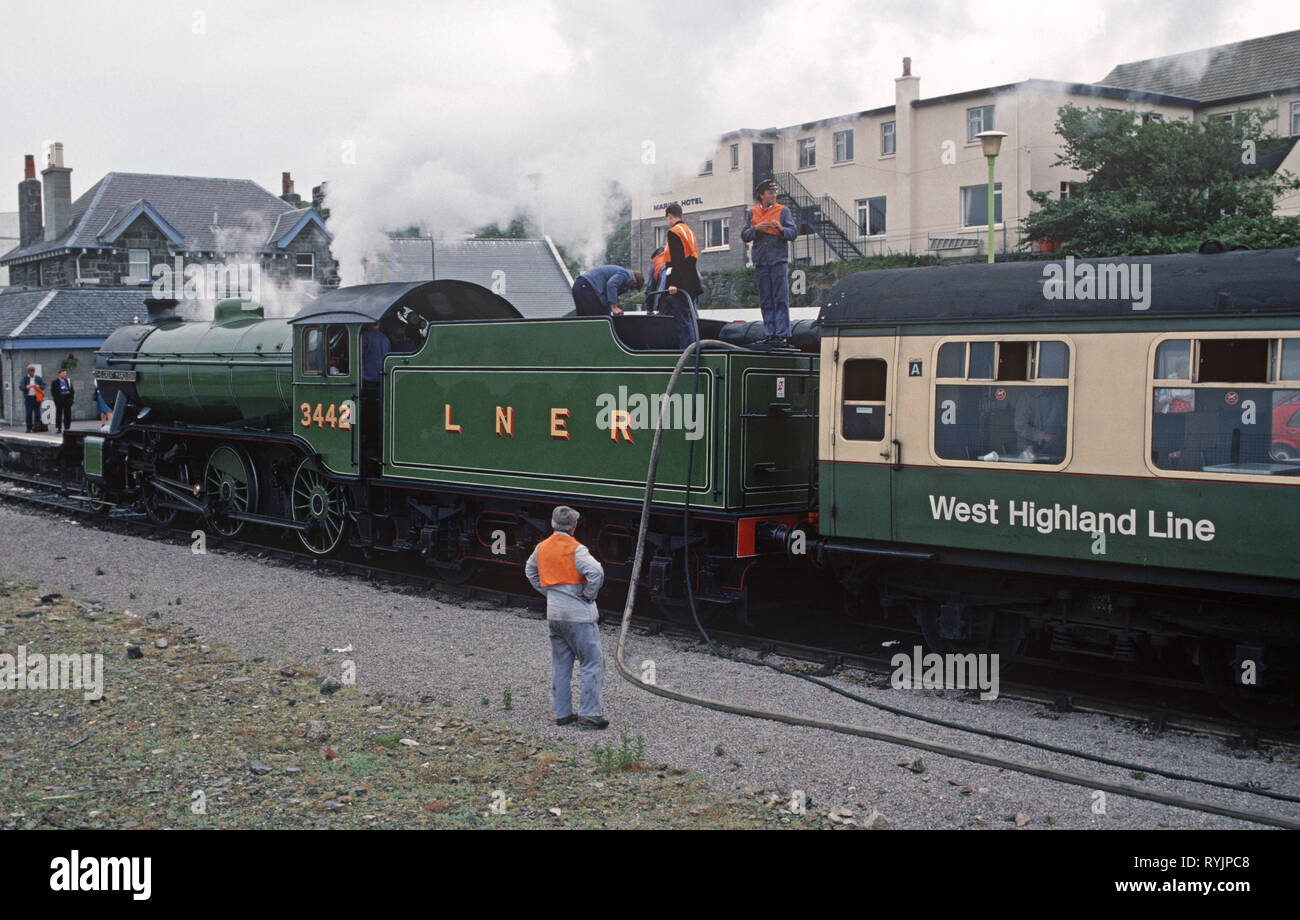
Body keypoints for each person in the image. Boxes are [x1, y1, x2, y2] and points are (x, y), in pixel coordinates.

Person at [525, 506, 608, 730]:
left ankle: (562, 714)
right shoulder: (576, 549)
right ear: (574, 525)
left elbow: (530, 571)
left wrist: (549, 592)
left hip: (554, 614)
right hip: (579, 616)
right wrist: (588, 595)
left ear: (553, 523)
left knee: (561, 665)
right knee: (592, 663)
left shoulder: (541, 548)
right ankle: (589, 714)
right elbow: (596, 572)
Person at [741, 179, 798, 345]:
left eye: (774, 192)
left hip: (778, 260)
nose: (774, 195)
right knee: (766, 299)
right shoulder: (752, 212)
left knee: (780, 297)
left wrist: (781, 229)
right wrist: (755, 230)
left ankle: (782, 333)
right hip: (761, 261)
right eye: (770, 192)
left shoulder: (783, 211)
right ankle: (770, 332)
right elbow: (744, 235)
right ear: (762, 195)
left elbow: (793, 233)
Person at [662, 203, 703, 349]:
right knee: (690, 317)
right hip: (692, 280)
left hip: (681, 282)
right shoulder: (688, 231)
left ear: (670, 216)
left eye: (667, 219)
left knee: (682, 320)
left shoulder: (674, 232)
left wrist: (674, 283)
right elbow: (690, 259)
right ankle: (692, 347)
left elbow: (676, 260)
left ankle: (685, 351)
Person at [1014, 387, 1067, 460]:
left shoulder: (1059, 396)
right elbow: (1020, 426)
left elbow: (1064, 422)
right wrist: (1043, 436)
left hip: (1055, 449)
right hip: (1029, 450)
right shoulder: (1027, 396)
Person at [572, 266, 644, 317]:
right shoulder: (625, 274)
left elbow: (606, 297)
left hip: (579, 286)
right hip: (587, 286)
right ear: (634, 281)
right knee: (597, 319)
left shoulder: (621, 274)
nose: (630, 290)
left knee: (583, 320)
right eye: (633, 288)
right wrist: (614, 307)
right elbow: (611, 284)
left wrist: (609, 311)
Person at [20, 365, 44, 433]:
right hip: (28, 398)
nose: (32, 373)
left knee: (37, 413)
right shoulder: (25, 378)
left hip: (36, 397)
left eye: (33, 371)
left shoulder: (38, 378)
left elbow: (44, 385)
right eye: (31, 372)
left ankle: (37, 427)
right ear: (28, 372)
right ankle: (29, 428)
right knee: (28, 413)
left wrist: (38, 386)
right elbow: (21, 386)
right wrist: (26, 387)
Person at [51, 369, 75, 433]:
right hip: (59, 399)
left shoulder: (68, 381)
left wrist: (71, 399)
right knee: (59, 414)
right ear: (60, 374)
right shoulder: (55, 382)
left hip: (67, 399)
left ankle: (67, 427)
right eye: (63, 373)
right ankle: (59, 427)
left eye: (65, 373)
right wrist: (56, 400)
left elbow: (72, 391)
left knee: (67, 414)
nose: (65, 375)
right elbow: (53, 392)